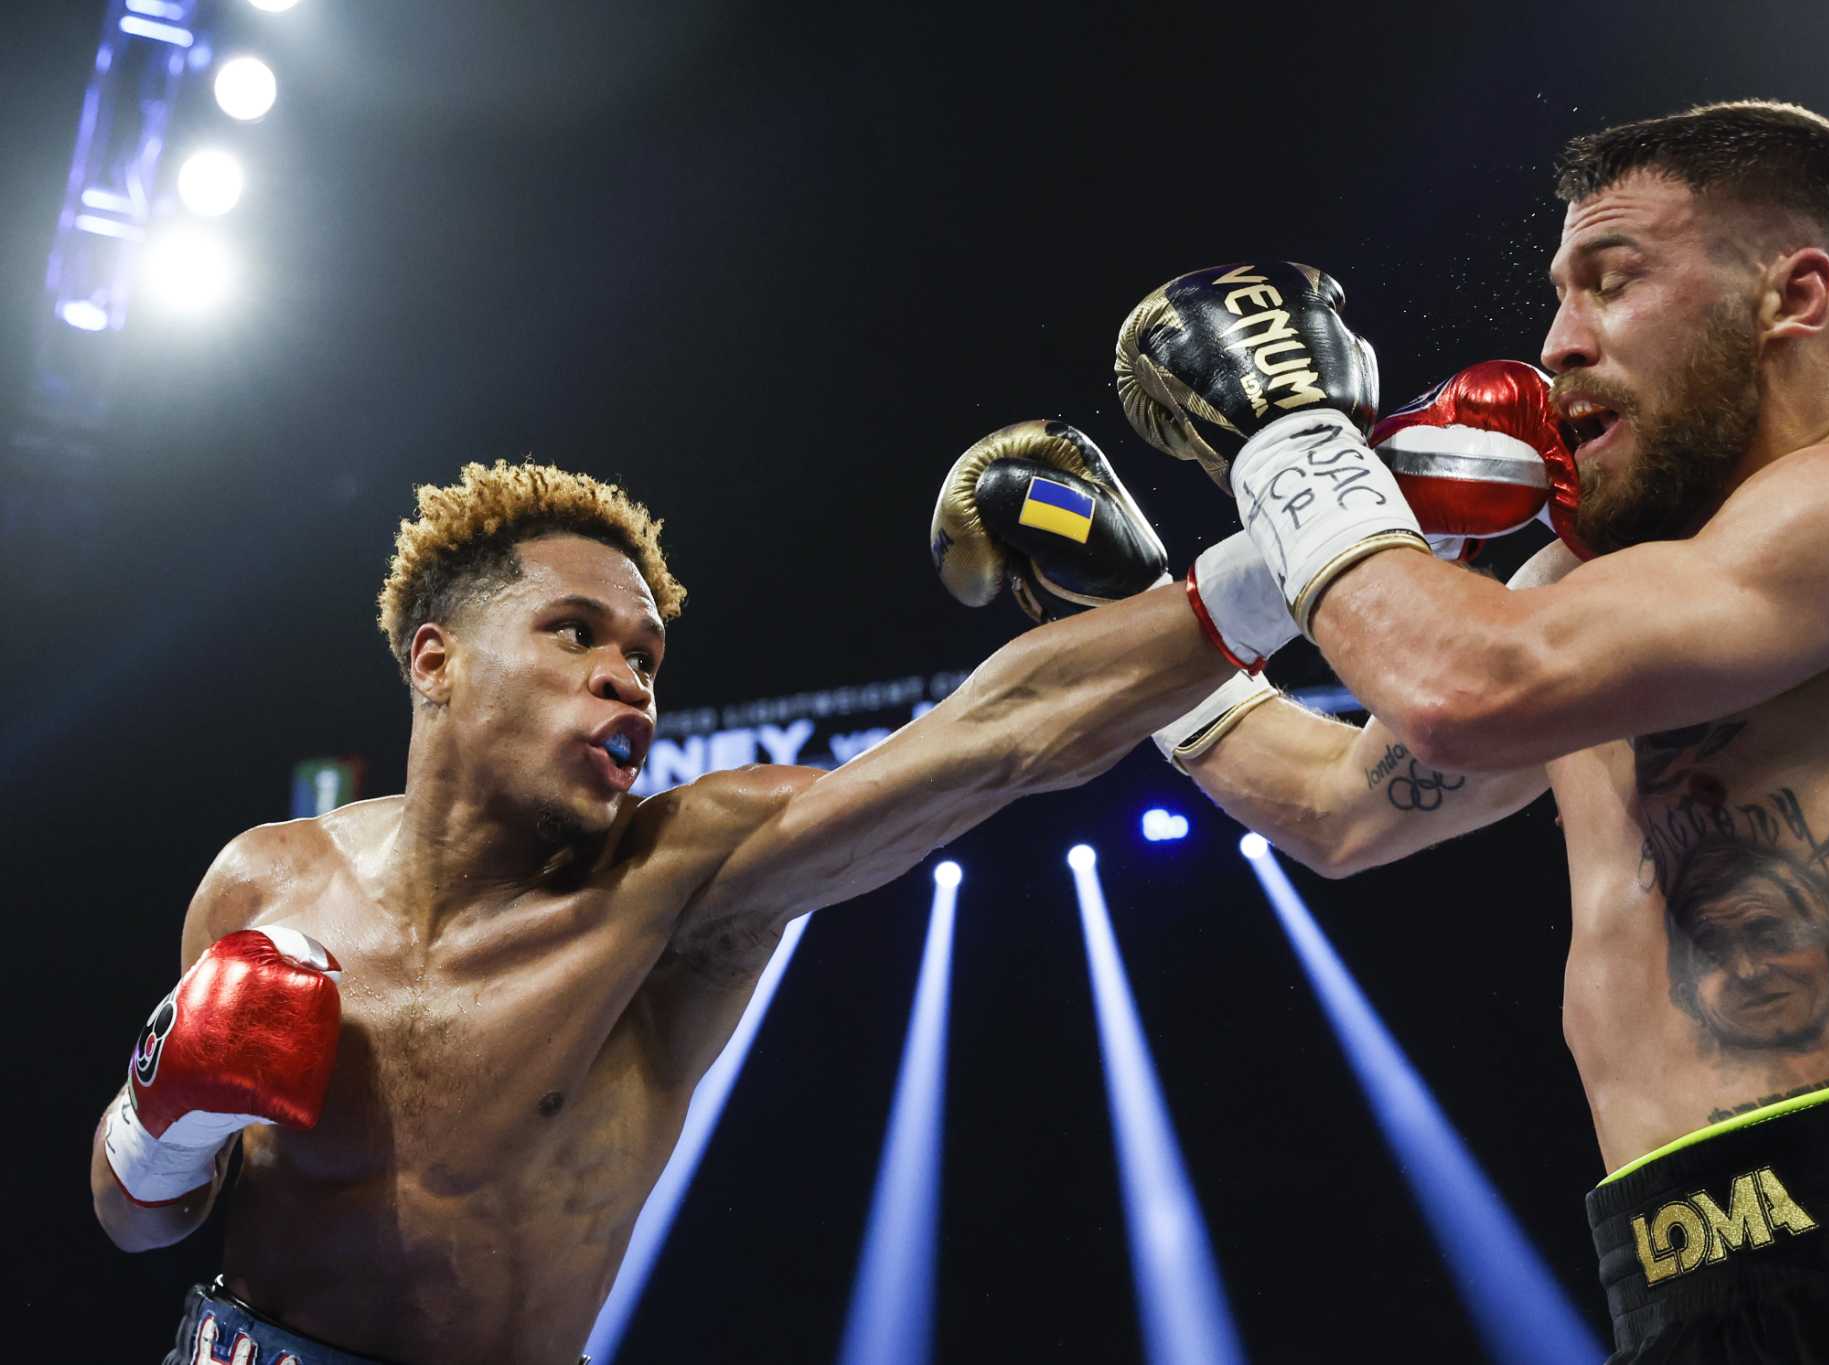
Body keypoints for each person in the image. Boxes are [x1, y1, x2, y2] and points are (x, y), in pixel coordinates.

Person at [1097, 100, 1829, 1360]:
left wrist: (1291, 442)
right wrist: (1128, 608)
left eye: (1610, 282)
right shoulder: (1582, 592)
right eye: (1557, 295)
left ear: (1794, 297)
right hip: (1675, 1267)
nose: (1557, 344)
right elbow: (1335, 805)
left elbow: (1458, 684)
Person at [91, 438, 1342, 1365]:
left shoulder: (680, 880)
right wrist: (162, 1126)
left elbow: (1000, 731)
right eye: (575, 635)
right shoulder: (268, 880)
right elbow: (138, 1224)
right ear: (435, 658)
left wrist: (1301, 551)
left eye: (642, 658)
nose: (625, 684)